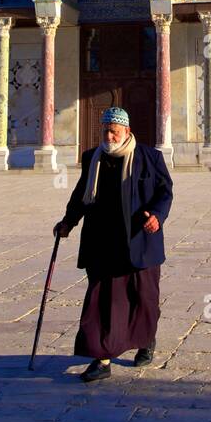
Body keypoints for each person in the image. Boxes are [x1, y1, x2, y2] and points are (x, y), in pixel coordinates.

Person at [54, 105, 173, 382]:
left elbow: (165, 191)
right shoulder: (92, 159)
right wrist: (68, 222)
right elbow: (81, 196)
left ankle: (146, 341)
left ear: (127, 131)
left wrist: (157, 215)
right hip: (103, 243)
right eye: (105, 130)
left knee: (144, 298)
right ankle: (102, 358)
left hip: (139, 241)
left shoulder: (149, 157)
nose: (108, 136)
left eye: (113, 131)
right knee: (103, 301)